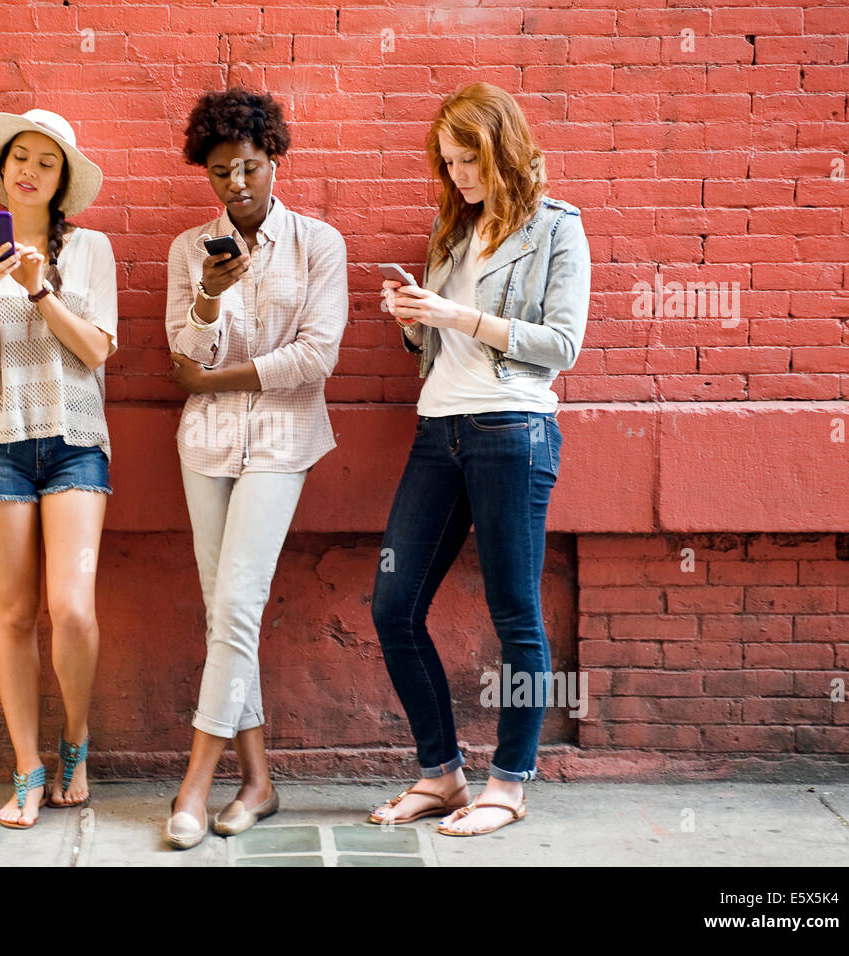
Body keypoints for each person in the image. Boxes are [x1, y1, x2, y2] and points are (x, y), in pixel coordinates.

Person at [369, 82, 591, 837]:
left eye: (468, 159)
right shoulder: (451, 231)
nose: (458, 175)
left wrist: (459, 314)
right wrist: (413, 321)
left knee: (515, 614)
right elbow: (437, 347)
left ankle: (510, 780)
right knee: (393, 607)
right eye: (447, 161)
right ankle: (442, 774)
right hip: (439, 432)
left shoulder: (558, 229)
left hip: (512, 434)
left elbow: (561, 346)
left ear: (501, 148)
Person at [162, 88, 348, 848]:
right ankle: (261, 782)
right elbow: (184, 357)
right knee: (223, 614)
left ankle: (195, 787)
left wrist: (218, 379)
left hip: (279, 443)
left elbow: (317, 356)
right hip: (205, 447)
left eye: (249, 167)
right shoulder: (188, 251)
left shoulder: (318, 245)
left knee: (237, 604)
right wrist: (209, 298)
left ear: (275, 160)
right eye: (219, 173)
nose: (236, 185)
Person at [0, 109, 117, 829]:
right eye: (21, 157)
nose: (29, 171)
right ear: (3, 169)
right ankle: (27, 767)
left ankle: (75, 736)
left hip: (75, 438)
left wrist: (40, 287)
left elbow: (97, 351)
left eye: (46, 163)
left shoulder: (91, 253)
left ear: (61, 182)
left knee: (72, 609)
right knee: (14, 613)